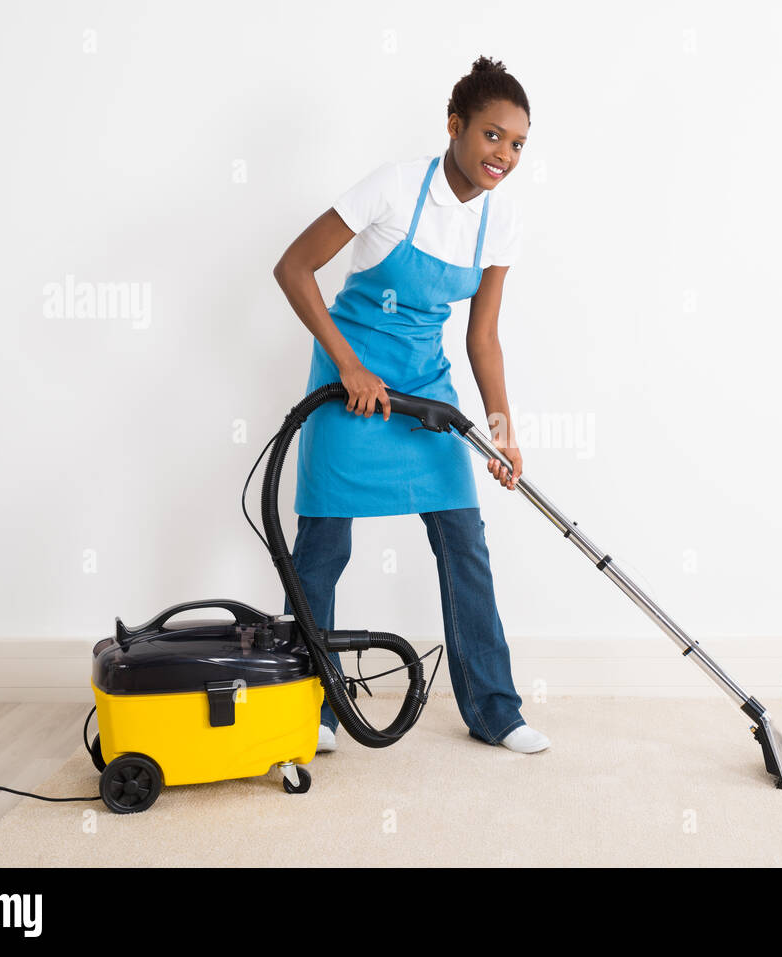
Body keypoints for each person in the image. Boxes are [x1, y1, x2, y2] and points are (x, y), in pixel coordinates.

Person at [272, 56, 548, 755]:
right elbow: (294, 267)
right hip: (349, 386)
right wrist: (349, 364)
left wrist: (502, 431)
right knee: (323, 547)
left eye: (517, 143)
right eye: (491, 135)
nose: (504, 154)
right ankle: (310, 709)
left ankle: (494, 709)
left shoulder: (499, 222)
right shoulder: (394, 186)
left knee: (463, 539)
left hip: (425, 392)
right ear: (455, 126)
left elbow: (483, 336)